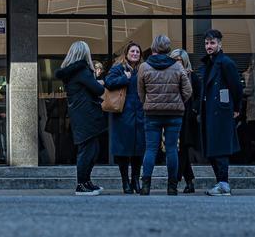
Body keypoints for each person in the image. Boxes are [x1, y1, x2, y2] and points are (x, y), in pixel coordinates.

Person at [136, 34, 191, 196]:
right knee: (172, 149)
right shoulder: (178, 67)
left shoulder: (144, 67)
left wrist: (149, 102)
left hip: (152, 113)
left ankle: (146, 186)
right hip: (174, 114)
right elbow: (188, 91)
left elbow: (140, 92)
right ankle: (172, 187)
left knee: (151, 149)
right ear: (168, 48)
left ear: (153, 47)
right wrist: (178, 101)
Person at [55, 41, 107, 195]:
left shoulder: (72, 72)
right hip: (86, 115)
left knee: (92, 149)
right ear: (85, 53)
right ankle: (81, 185)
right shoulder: (82, 71)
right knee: (87, 151)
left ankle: (86, 182)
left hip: (80, 114)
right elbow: (98, 89)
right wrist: (100, 82)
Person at [197, 30, 244, 197]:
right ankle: (221, 183)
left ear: (220, 44)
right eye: (207, 43)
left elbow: (237, 88)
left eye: (212, 43)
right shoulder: (209, 64)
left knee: (221, 149)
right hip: (209, 112)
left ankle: (224, 184)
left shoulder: (226, 63)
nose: (209, 46)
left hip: (221, 112)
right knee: (212, 149)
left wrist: (237, 108)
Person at [105, 41, 146, 194]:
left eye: (137, 52)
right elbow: (108, 82)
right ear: (126, 53)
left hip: (140, 114)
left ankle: (136, 180)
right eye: (132, 51)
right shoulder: (118, 68)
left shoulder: (143, 69)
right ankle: (125, 182)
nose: (135, 54)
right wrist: (125, 78)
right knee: (123, 150)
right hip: (123, 115)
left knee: (138, 149)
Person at [169, 48, 199, 193]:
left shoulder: (192, 77)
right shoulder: (169, 75)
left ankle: (176, 179)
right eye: (174, 60)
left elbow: (199, 95)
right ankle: (189, 181)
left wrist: (194, 109)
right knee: (181, 150)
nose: (177, 63)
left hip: (188, 118)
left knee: (183, 149)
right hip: (174, 116)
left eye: (179, 61)